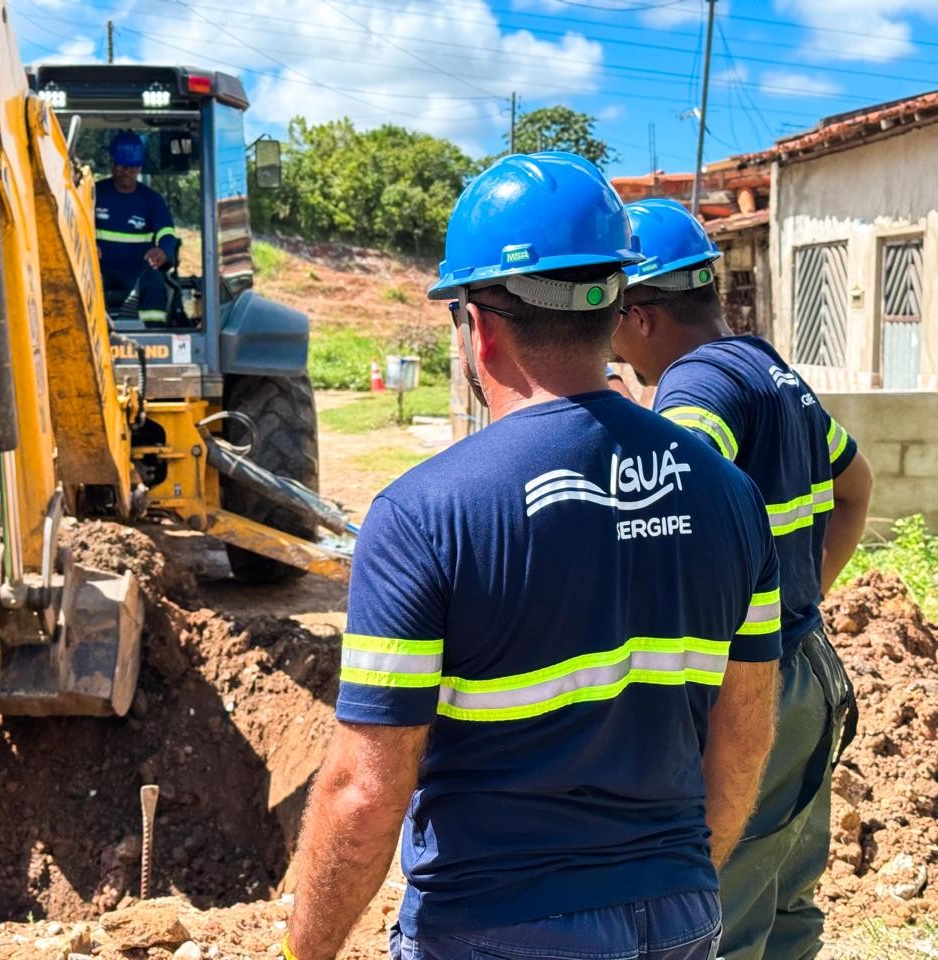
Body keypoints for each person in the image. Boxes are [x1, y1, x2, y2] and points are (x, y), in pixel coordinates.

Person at [283, 153, 782, 960]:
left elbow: (365, 793)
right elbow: (746, 732)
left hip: (497, 926)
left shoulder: (423, 515)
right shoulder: (729, 496)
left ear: (478, 329)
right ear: (617, 307)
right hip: (683, 913)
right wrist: (678, 877)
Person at [612, 197, 874, 960]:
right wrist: (803, 595)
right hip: (810, 673)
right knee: (786, 905)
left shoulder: (695, 389)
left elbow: (677, 508)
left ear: (642, 314)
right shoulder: (769, 372)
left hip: (751, 693)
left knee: (711, 926)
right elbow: (855, 487)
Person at [95, 131, 177, 325]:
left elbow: (167, 232)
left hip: (137, 270)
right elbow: (75, 225)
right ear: (112, 164)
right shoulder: (95, 193)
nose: (127, 172)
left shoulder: (151, 200)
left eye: (133, 167)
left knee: (155, 282)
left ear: (140, 167)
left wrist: (163, 250)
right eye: (122, 166)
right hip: (98, 268)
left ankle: (154, 335)